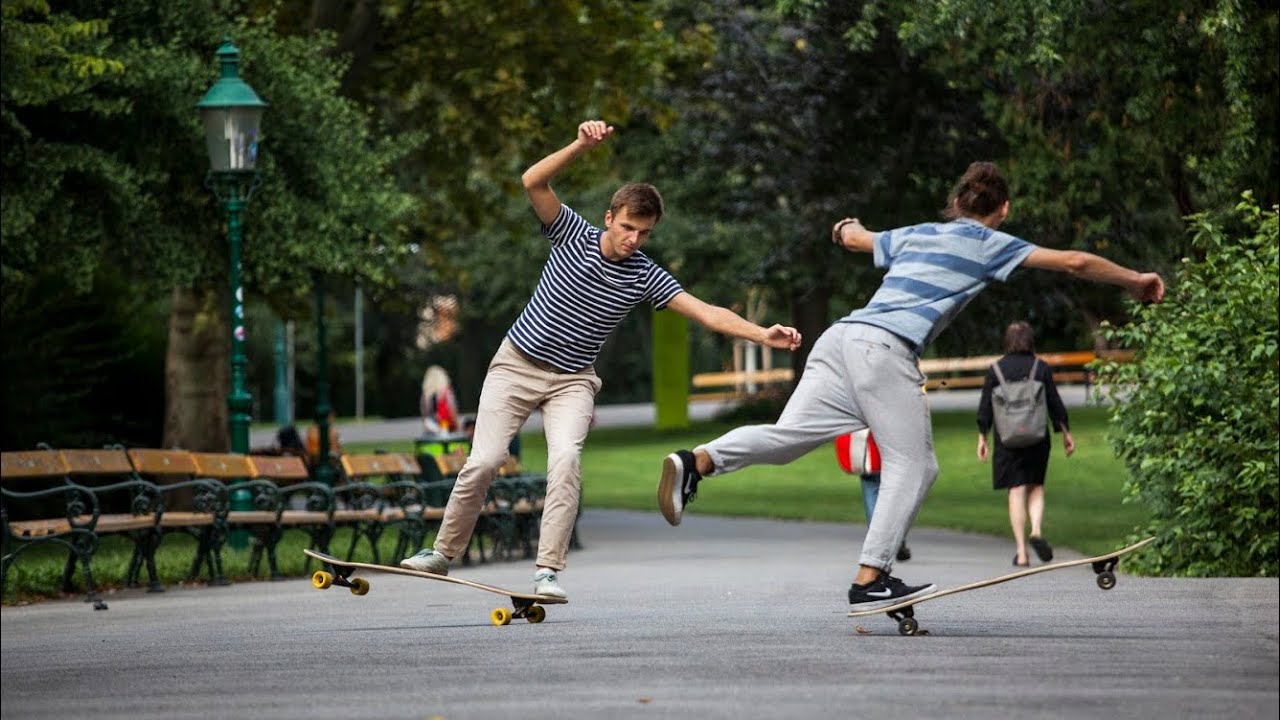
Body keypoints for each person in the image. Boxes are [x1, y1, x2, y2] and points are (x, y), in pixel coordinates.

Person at [657, 161, 1164, 609]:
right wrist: (1135, 280)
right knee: (915, 464)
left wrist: (845, 227)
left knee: (788, 438)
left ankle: (696, 462)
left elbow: (857, 238)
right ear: (1002, 209)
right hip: (884, 348)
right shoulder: (992, 243)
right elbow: (1074, 262)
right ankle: (871, 577)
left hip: (839, 340)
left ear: (956, 203)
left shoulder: (919, 233)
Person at [400, 120, 803, 598]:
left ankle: (547, 571)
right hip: (515, 366)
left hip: (573, 380)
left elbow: (706, 313)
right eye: (628, 227)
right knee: (484, 461)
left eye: (644, 233)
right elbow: (533, 181)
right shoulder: (571, 233)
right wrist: (580, 145)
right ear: (610, 216)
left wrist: (762, 332)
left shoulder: (644, 275)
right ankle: (443, 553)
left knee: (566, 459)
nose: (633, 240)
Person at [977, 321, 1074, 567]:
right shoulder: (1040, 367)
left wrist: (982, 437)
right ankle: (1037, 530)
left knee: (1016, 490)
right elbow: (1054, 401)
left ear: (1007, 341)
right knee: (1036, 486)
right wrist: (1065, 432)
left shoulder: (995, 370)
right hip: (1037, 436)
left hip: (1007, 439)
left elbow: (985, 407)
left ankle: (1021, 552)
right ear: (1031, 341)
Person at [838, 430, 912, 562]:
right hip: (892, 439)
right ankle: (898, 538)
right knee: (896, 491)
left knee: (871, 486)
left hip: (866, 444)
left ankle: (878, 543)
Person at [420, 365, 460, 434]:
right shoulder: (447, 392)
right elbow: (452, 410)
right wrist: (457, 426)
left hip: (431, 428)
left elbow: (424, 416)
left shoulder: (426, 395)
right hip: (448, 425)